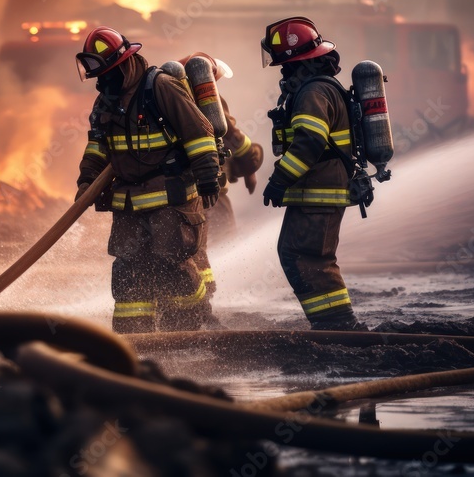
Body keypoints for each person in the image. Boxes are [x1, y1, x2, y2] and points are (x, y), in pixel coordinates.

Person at [75, 27, 220, 333]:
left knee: (172, 265)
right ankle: (133, 339)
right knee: (127, 271)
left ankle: (188, 332)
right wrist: (87, 180)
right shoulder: (105, 102)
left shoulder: (161, 87)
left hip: (170, 199)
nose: (103, 82)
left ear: (125, 63)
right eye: (100, 76)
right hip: (128, 204)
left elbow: (198, 132)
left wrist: (208, 175)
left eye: (108, 74)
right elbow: (97, 146)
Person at [260, 16, 365, 331]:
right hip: (316, 190)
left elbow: (310, 141)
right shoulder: (318, 88)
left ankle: (338, 326)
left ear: (298, 63)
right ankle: (333, 325)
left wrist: (279, 180)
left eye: (285, 66)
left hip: (320, 190)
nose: (283, 73)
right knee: (297, 254)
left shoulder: (313, 92)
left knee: (307, 257)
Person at [178, 52, 264, 299]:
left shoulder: (168, 100)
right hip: (212, 192)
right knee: (223, 243)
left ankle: (199, 297)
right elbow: (234, 139)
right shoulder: (210, 102)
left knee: (192, 248)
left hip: (181, 194)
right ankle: (222, 297)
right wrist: (251, 165)